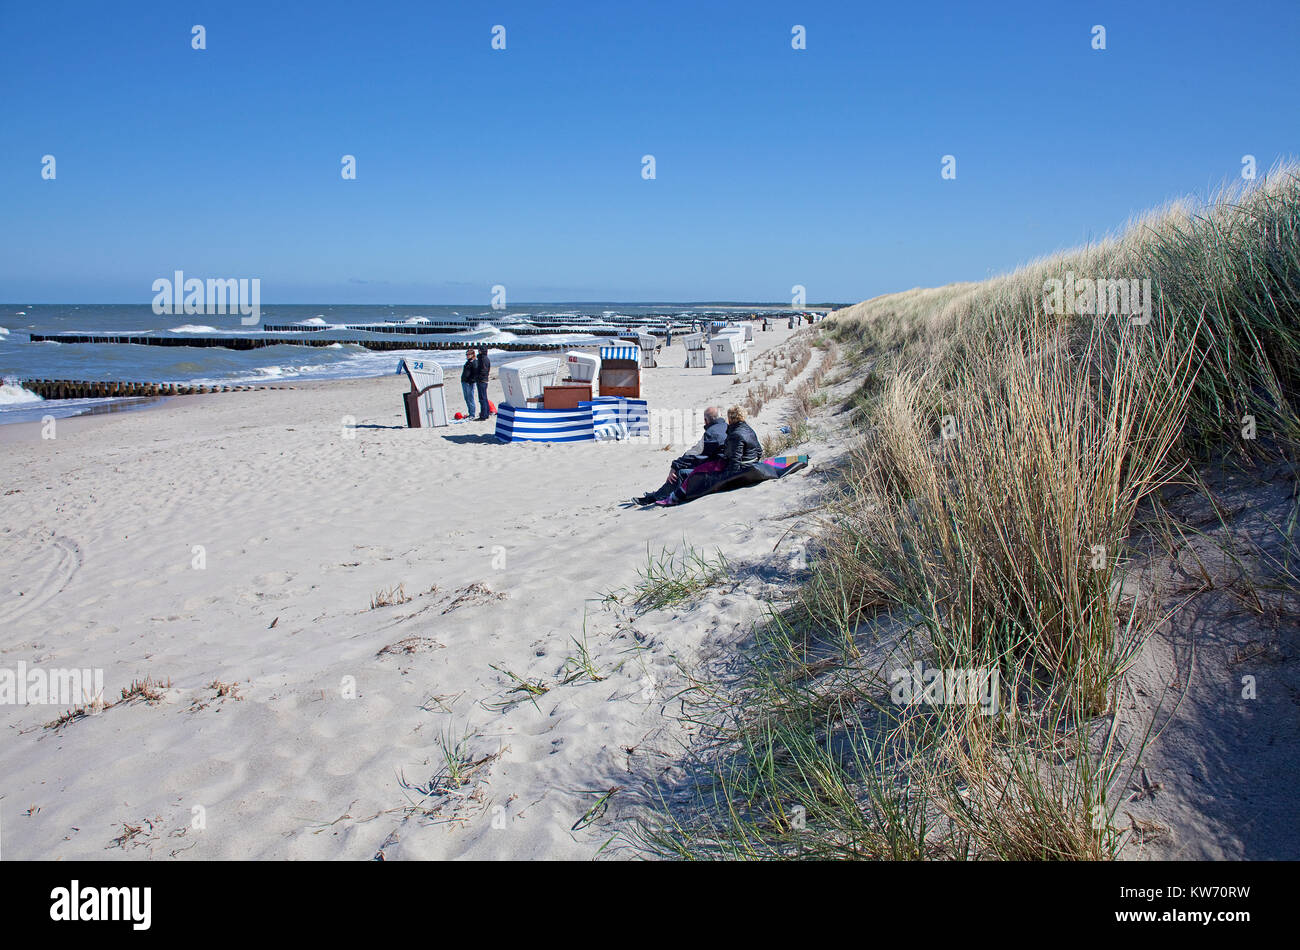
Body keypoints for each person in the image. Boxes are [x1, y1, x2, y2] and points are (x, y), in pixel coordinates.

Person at [655, 405, 760, 506]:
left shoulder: (734, 434)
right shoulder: (749, 430)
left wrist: (726, 480)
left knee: (690, 473)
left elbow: (734, 461)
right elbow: (759, 451)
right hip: (750, 465)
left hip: (736, 470)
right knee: (696, 470)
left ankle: (672, 497)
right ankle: (668, 496)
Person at [632, 406, 726, 505]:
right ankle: (660, 494)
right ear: (721, 416)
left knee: (680, 473)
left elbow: (694, 454)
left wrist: (675, 466)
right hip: (721, 465)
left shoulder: (712, 433)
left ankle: (655, 497)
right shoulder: (726, 427)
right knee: (689, 466)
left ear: (705, 420)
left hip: (717, 470)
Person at [474, 347, 491, 420]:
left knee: (482, 398)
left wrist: (478, 377)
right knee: (484, 397)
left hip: (482, 380)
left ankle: (484, 415)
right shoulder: (484, 358)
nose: (478, 351)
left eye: (479, 350)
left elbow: (483, 370)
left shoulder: (483, 359)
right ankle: (486, 413)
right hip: (484, 379)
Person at [460, 348, 478, 419]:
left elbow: (475, 373)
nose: (467, 356)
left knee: (470, 398)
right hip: (464, 382)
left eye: (468, 354)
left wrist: (471, 381)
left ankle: (472, 414)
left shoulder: (474, 362)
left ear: (472, 354)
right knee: (466, 398)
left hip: (469, 383)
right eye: (466, 354)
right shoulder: (468, 362)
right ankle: (470, 412)